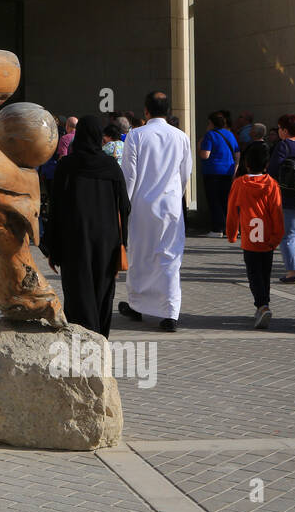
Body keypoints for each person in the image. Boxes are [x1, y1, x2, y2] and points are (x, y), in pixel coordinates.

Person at [43, 115, 131, 337]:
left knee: (77, 289)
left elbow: (55, 209)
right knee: (102, 292)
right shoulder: (110, 166)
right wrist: (122, 242)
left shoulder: (66, 166)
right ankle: (100, 339)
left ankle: (84, 338)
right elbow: (125, 207)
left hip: (75, 239)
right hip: (106, 241)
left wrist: (52, 248)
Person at [118, 91, 194, 332]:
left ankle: (138, 304)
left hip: (142, 206)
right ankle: (170, 311)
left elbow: (128, 175)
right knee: (169, 258)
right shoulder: (181, 137)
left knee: (140, 255)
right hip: (170, 206)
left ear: (146, 111)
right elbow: (185, 173)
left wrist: (123, 204)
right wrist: (175, 195)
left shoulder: (136, 135)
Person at [226, 142, 285, 329]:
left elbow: (231, 211)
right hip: (267, 237)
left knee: (254, 275)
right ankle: (264, 303)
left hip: (250, 237)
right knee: (265, 273)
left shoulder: (239, 184)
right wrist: (277, 236)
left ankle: (262, 305)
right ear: (266, 165)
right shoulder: (272, 184)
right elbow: (277, 213)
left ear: (247, 164)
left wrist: (231, 233)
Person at [268, 114, 295, 283]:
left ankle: (292, 273)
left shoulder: (283, 146)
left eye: (279, 128)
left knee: (288, 236)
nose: (279, 131)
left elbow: (273, 171)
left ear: (285, 130)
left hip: (289, 196)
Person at [199, 110, 239, 237]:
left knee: (214, 200)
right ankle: (230, 228)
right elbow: (237, 153)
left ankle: (217, 228)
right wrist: (235, 169)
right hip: (228, 171)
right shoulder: (229, 134)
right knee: (226, 200)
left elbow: (205, 155)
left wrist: (199, 146)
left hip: (212, 171)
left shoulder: (210, 135)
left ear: (211, 123)